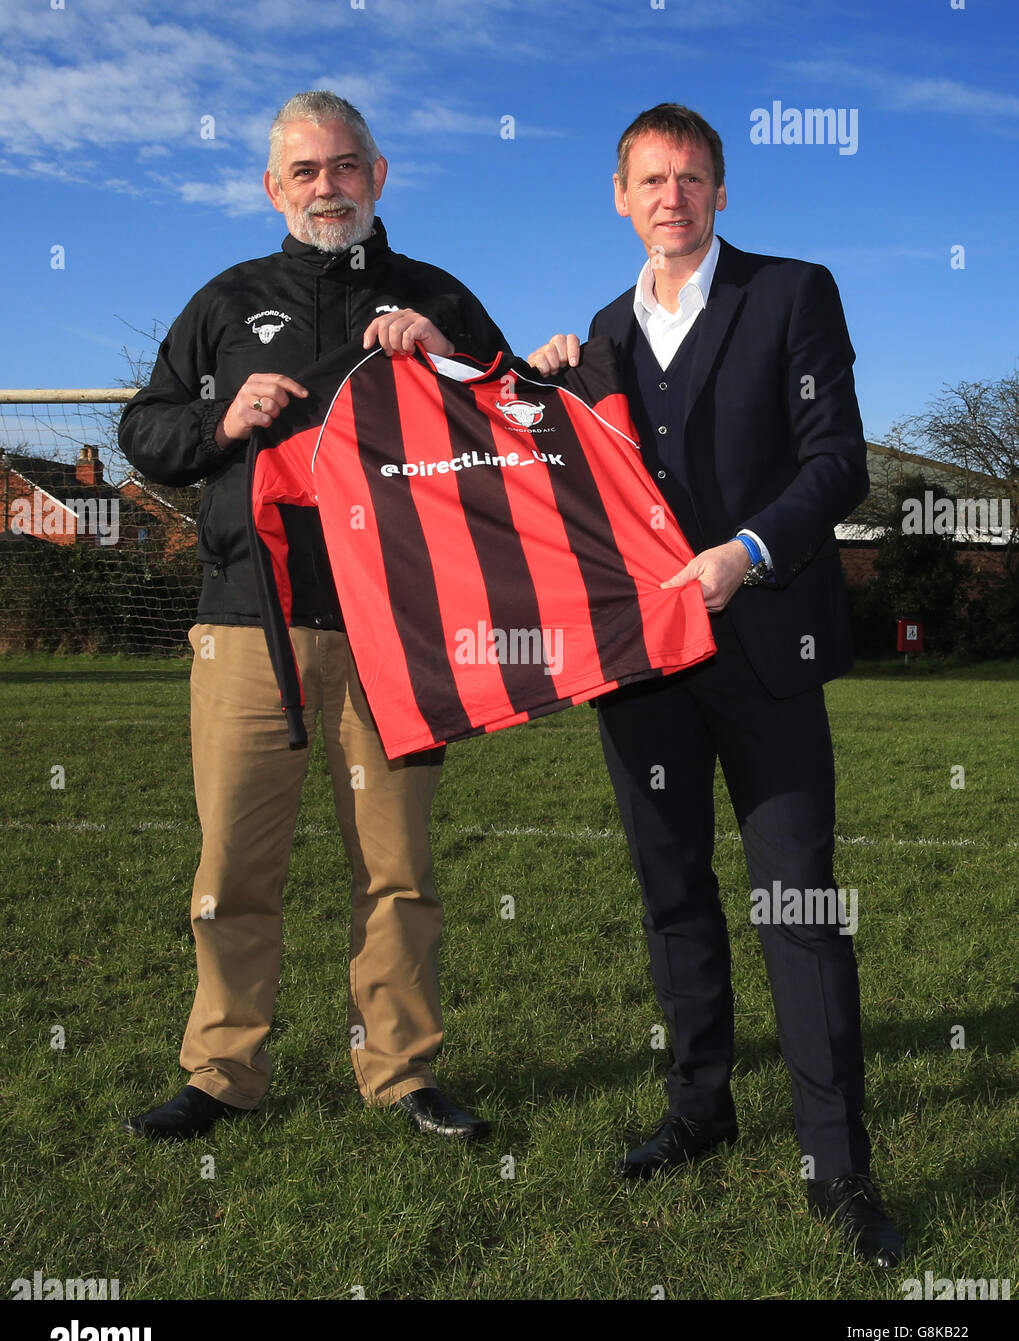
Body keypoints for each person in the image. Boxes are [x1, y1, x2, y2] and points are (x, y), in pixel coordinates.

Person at [529, 104, 902, 1267]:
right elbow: (564, 482)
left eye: (691, 177)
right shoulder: (597, 333)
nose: (670, 196)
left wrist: (743, 554)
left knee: (795, 902)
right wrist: (544, 389)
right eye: (649, 178)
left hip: (766, 650)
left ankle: (834, 1162)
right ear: (617, 193)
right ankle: (698, 1105)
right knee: (672, 888)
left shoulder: (792, 292)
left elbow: (835, 458)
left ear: (722, 193)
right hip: (641, 667)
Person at [119, 90, 509, 1143]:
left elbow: (517, 427)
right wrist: (217, 418)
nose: (326, 186)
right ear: (271, 186)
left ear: (378, 177)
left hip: (403, 630)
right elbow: (143, 431)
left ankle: (402, 1072)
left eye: (345, 166)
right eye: (305, 171)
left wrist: (450, 358)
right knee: (233, 867)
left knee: (397, 868)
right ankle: (220, 1073)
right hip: (249, 624)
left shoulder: (436, 296)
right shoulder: (225, 300)